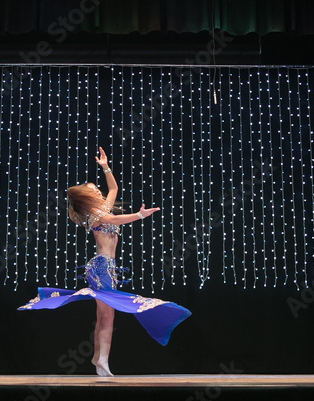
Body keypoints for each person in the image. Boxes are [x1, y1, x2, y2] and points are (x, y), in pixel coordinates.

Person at [18, 147, 191, 376]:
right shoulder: (96, 215)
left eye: (97, 189)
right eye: (93, 191)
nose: (99, 192)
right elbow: (115, 218)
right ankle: (102, 361)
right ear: (87, 199)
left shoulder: (101, 210)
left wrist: (106, 167)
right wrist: (140, 215)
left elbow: (114, 188)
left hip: (104, 268)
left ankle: (99, 359)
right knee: (108, 315)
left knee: (105, 315)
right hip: (102, 267)